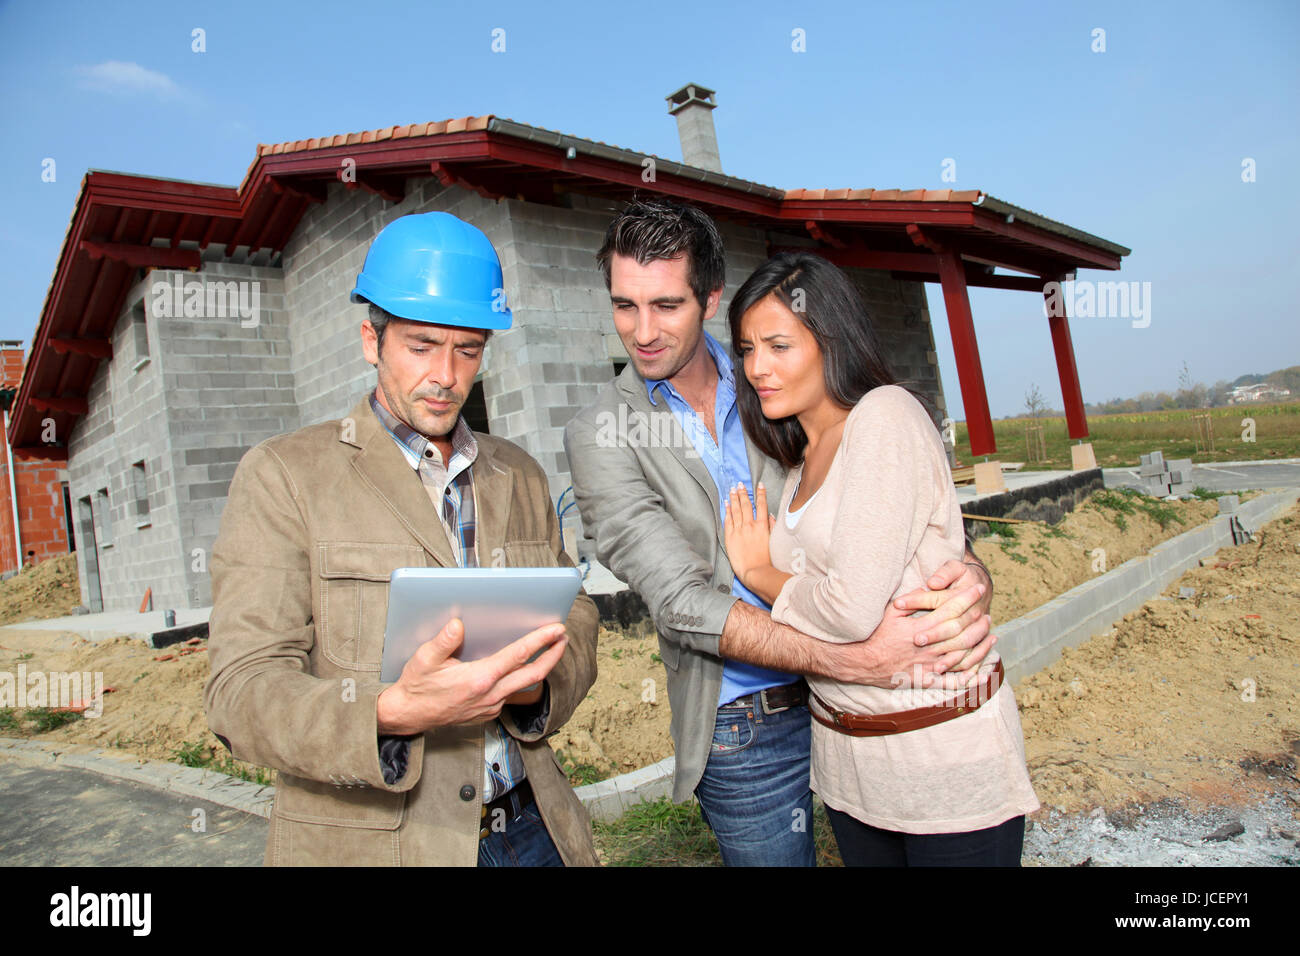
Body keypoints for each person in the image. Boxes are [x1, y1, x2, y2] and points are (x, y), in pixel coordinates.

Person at [563, 199, 999, 867]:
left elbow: (880, 488)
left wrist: (967, 571)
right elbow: (680, 601)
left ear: (709, 298)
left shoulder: (775, 375)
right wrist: (852, 658)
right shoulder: (600, 433)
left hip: (857, 705)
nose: (642, 331)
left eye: (666, 306)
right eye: (625, 305)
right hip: (747, 724)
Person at [205, 211, 599, 867]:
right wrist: (390, 711)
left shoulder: (519, 474)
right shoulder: (285, 478)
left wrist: (535, 687)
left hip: (534, 830)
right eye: (421, 346)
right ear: (372, 340)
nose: (445, 374)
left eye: (467, 349)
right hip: (380, 848)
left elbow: (576, 612)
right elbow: (240, 691)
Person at [722, 251, 1039, 866]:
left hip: (938, 755)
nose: (757, 367)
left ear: (831, 340)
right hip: (849, 765)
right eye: (745, 348)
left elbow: (850, 609)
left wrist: (760, 571)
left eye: (779, 345)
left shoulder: (885, 416)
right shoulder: (796, 465)